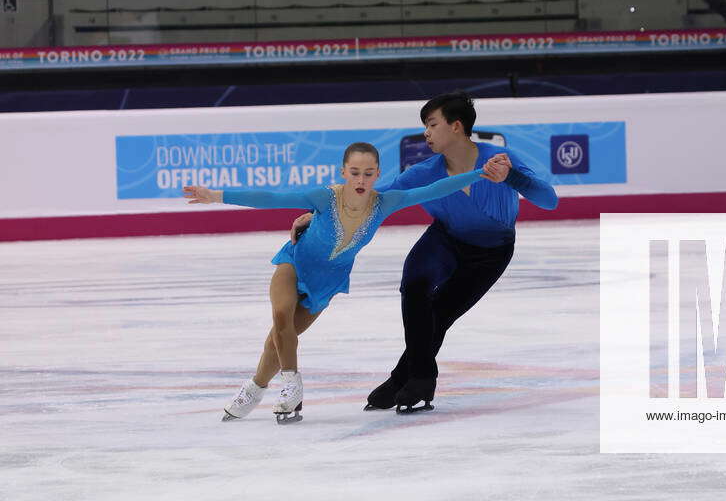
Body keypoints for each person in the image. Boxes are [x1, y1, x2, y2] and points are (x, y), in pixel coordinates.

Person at [183, 141, 508, 424]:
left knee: (280, 339)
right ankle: (292, 384)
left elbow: (432, 189)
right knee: (281, 317)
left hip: (327, 281)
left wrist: (478, 174)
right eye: (355, 172)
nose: (361, 180)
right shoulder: (324, 198)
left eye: (368, 173)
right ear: (344, 172)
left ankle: (255, 388)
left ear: (377, 174)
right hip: (295, 262)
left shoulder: (384, 203)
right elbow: (272, 197)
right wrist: (215, 195)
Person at [291, 92, 558, 413]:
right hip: (443, 241)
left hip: (492, 252)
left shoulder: (500, 159)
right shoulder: (424, 172)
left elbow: (549, 200)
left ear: (456, 126)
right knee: (414, 285)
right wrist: (318, 214)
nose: (426, 133)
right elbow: (375, 199)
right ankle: (420, 377)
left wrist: (512, 177)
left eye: (432, 125)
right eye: (425, 127)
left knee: (441, 313)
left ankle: (401, 378)